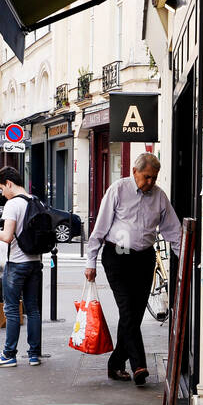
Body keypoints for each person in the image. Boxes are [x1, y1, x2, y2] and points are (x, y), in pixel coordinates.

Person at [84, 153, 181, 386]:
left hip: (145, 257)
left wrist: (189, 259)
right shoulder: (118, 190)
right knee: (127, 309)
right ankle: (139, 365)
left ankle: (116, 363)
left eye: (154, 178)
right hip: (118, 255)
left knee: (134, 314)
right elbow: (100, 227)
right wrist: (91, 262)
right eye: (147, 177)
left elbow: (173, 232)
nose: (150, 182)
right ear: (135, 172)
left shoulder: (159, 196)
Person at [0, 166, 43, 368]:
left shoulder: (12, 204)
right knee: (33, 309)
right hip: (35, 262)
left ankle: (9, 354)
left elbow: (7, 237)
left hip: (17, 263)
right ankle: (34, 355)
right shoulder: (36, 200)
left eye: (1, 187)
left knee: (11, 309)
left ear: (9, 183)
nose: (2, 193)